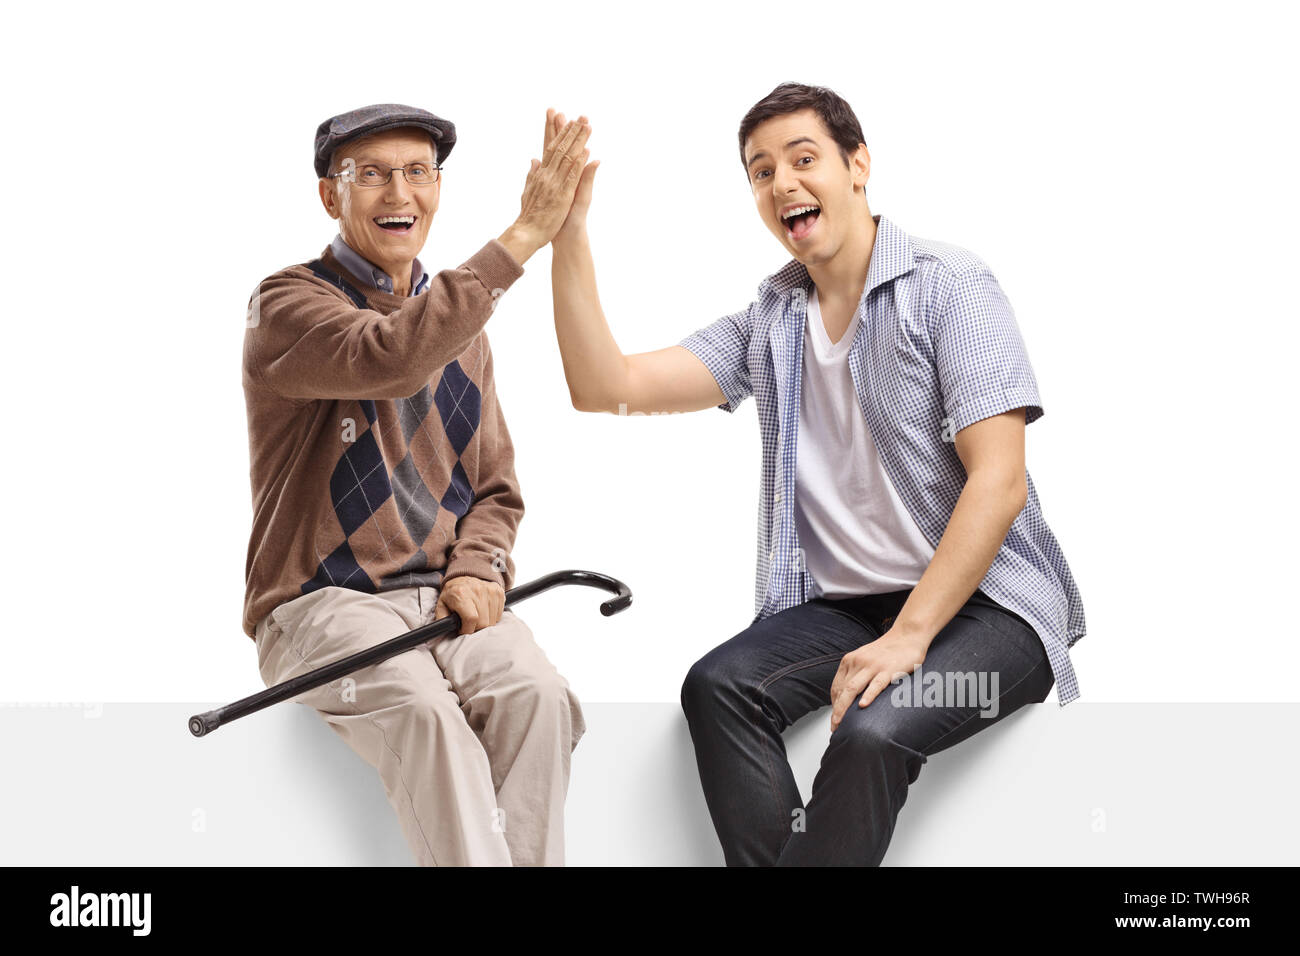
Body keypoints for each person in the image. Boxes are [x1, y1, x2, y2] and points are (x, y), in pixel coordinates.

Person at [547, 83, 1087, 865]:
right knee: (718, 687)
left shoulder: (949, 286)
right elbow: (608, 388)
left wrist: (912, 636)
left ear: (858, 165)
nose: (782, 184)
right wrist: (570, 233)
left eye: (804, 160)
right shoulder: (771, 322)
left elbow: (998, 482)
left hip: (992, 611)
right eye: (760, 172)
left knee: (873, 730)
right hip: (848, 612)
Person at [242, 103, 593, 866]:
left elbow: (496, 491)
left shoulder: (465, 331)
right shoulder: (288, 306)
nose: (397, 192)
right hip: (321, 607)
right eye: (368, 175)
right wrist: (525, 236)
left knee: (539, 699)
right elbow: (391, 355)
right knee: (431, 722)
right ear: (331, 196)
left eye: (416, 173)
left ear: (436, 188)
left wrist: (477, 567)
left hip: (442, 601)